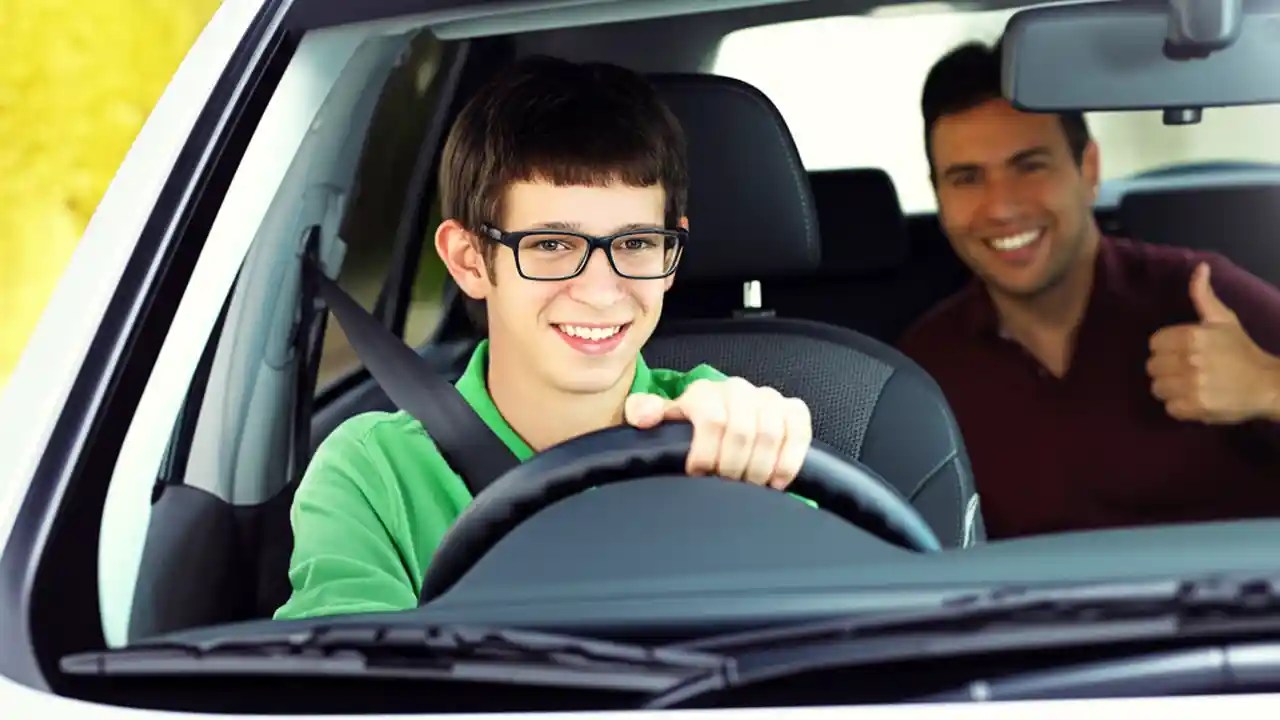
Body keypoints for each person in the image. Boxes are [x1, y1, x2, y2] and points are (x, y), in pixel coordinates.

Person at [274, 56, 813, 619]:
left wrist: (758, 464)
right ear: (469, 261)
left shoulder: (729, 432)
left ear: (671, 254)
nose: (601, 292)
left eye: (635, 245)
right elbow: (347, 690)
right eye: (552, 246)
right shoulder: (375, 473)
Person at [897, 41, 1280, 540]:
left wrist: (1266, 385)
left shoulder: (1201, 297)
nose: (1001, 208)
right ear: (938, 195)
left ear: (1089, 169)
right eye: (967, 178)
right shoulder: (923, 373)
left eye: (1029, 165)